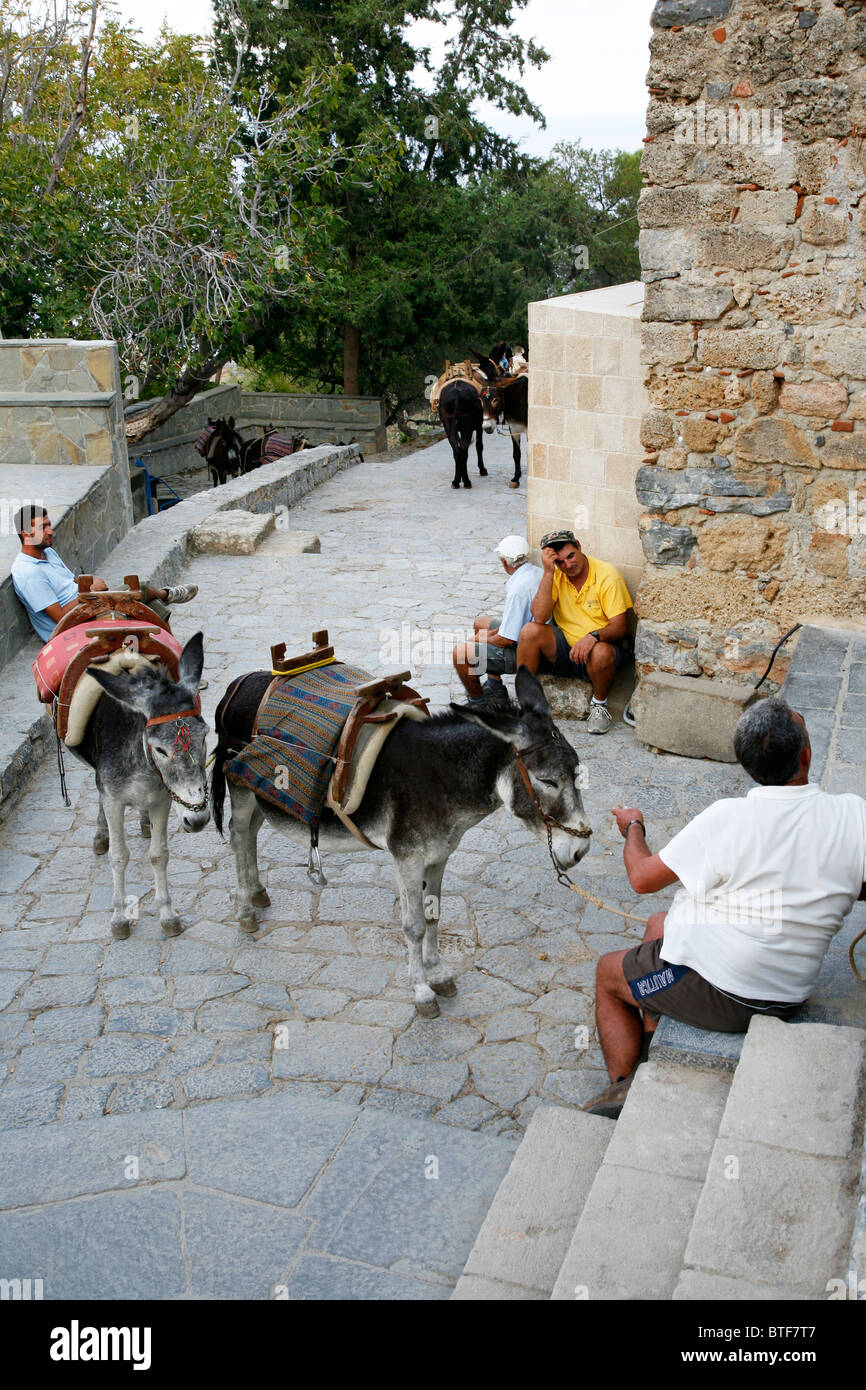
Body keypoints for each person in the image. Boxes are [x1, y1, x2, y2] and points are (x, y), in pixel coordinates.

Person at [582, 698, 866, 1118]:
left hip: (734, 992)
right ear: (805, 755)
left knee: (608, 973)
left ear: (748, 764)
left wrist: (633, 827)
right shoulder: (853, 817)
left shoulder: (728, 818)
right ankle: (652, 1032)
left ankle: (622, 1088)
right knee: (660, 924)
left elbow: (641, 877)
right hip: (790, 987)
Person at [11, 505, 197, 643]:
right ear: (26, 534)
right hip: (75, 623)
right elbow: (60, 617)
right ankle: (167, 594)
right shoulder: (29, 572)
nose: (50, 531)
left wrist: (89, 586)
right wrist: (90, 592)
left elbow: (70, 580)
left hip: (89, 604)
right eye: (43, 527)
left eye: (49, 524)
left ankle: (175, 657)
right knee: (138, 589)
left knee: (150, 604)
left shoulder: (47, 552)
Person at [515, 528, 632, 735]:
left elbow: (620, 627)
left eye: (571, 556)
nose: (568, 565)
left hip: (599, 648)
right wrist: (549, 572)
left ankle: (599, 705)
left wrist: (593, 637)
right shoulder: (556, 575)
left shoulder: (607, 575)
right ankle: (526, 705)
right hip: (565, 648)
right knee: (529, 631)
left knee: (601, 652)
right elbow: (540, 617)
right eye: (560, 562)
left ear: (578, 546)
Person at [452, 535, 543, 709]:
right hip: (531, 634)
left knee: (461, 653)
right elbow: (511, 626)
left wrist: (481, 639)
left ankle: (478, 704)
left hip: (527, 651)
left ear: (504, 562)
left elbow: (507, 640)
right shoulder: (535, 572)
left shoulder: (518, 589)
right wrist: (487, 634)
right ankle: (494, 687)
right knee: (481, 623)